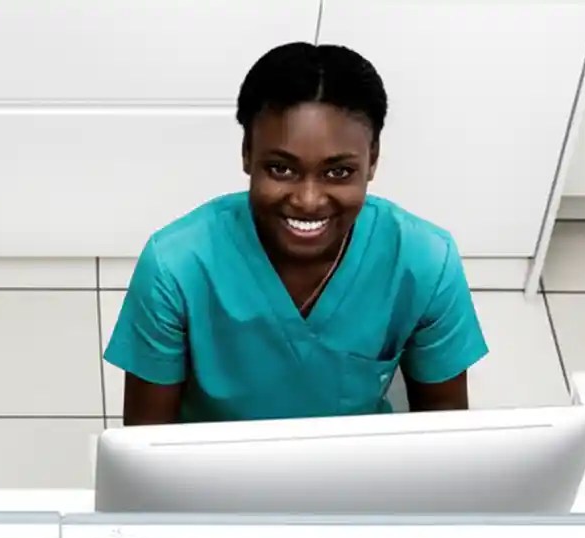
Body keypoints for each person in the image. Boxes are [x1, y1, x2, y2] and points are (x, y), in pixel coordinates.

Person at [105, 42, 488, 426]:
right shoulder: (176, 266)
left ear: (372, 160)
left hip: (356, 470)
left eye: (337, 172)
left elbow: (445, 433)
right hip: (212, 473)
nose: (308, 200)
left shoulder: (426, 262)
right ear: (246, 154)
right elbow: (145, 443)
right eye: (281, 169)